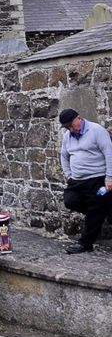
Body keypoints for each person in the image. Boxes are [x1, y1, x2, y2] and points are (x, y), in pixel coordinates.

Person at [59, 108, 112, 254]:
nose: (70, 129)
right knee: (70, 201)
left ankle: (85, 243)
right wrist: (68, 175)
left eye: (71, 125)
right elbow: (64, 156)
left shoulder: (97, 131)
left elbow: (109, 153)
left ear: (79, 118)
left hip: (96, 179)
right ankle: (102, 210)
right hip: (76, 181)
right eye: (67, 127)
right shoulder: (68, 136)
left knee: (95, 208)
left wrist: (109, 178)